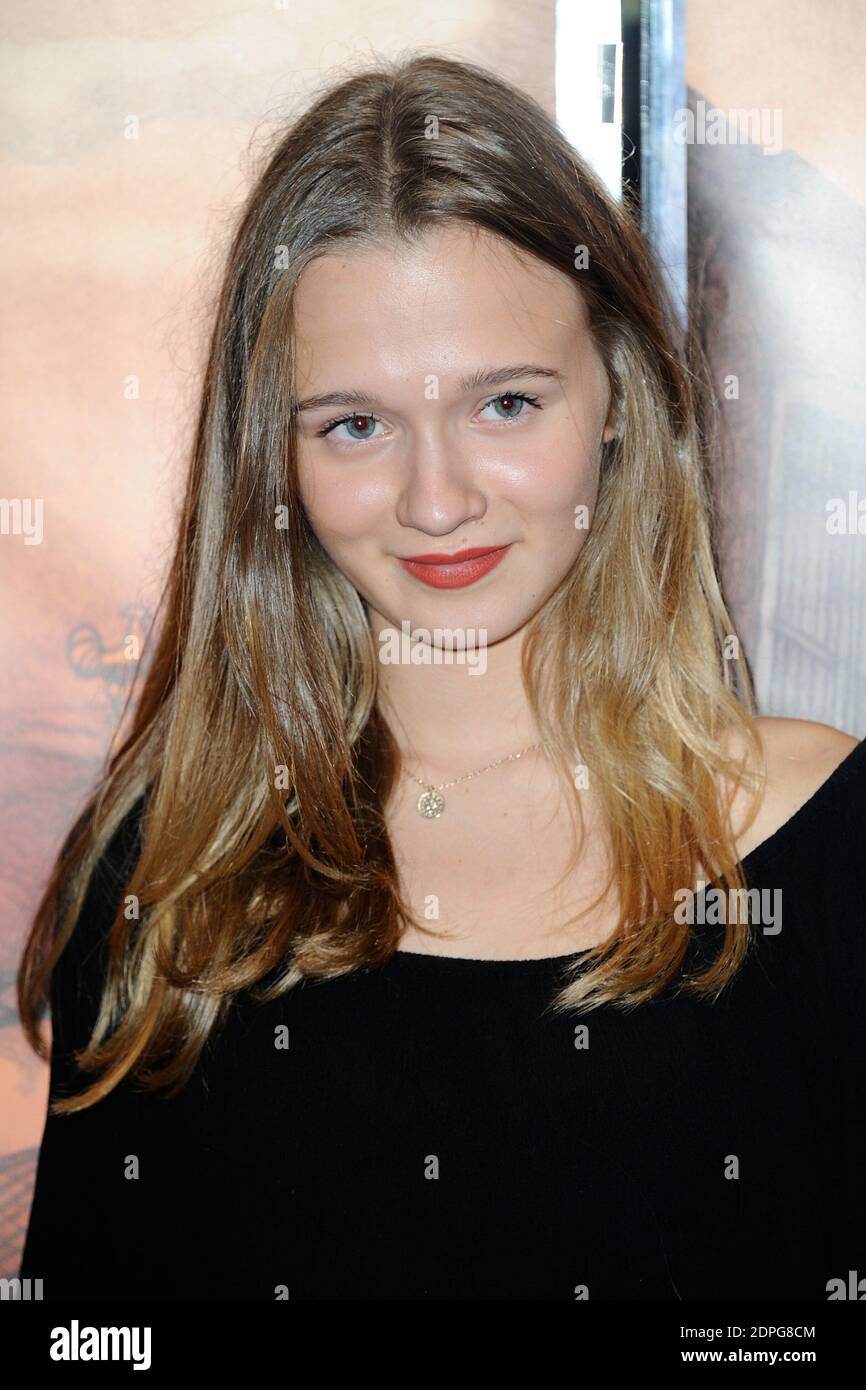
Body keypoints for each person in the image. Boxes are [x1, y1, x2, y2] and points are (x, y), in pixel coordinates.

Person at [17, 53, 864, 1301]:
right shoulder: (174, 880)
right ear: (273, 454)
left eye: (505, 404)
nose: (437, 499)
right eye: (354, 424)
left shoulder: (830, 845)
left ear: (620, 392)